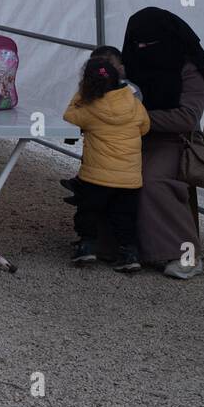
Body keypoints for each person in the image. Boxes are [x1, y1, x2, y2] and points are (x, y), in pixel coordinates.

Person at [123, 8, 204, 280]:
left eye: (148, 44)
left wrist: (137, 118)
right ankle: (120, 245)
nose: (141, 48)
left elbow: (187, 117)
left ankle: (186, 255)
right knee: (105, 172)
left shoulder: (189, 70)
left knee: (151, 180)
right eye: (136, 43)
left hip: (175, 141)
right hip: (130, 138)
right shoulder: (130, 61)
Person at [62, 56, 151, 272]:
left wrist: (80, 95)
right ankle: (129, 254)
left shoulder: (89, 108)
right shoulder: (134, 103)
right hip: (130, 178)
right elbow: (145, 128)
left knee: (88, 211)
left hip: (96, 177)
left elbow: (69, 116)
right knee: (125, 217)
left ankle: (87, 247)